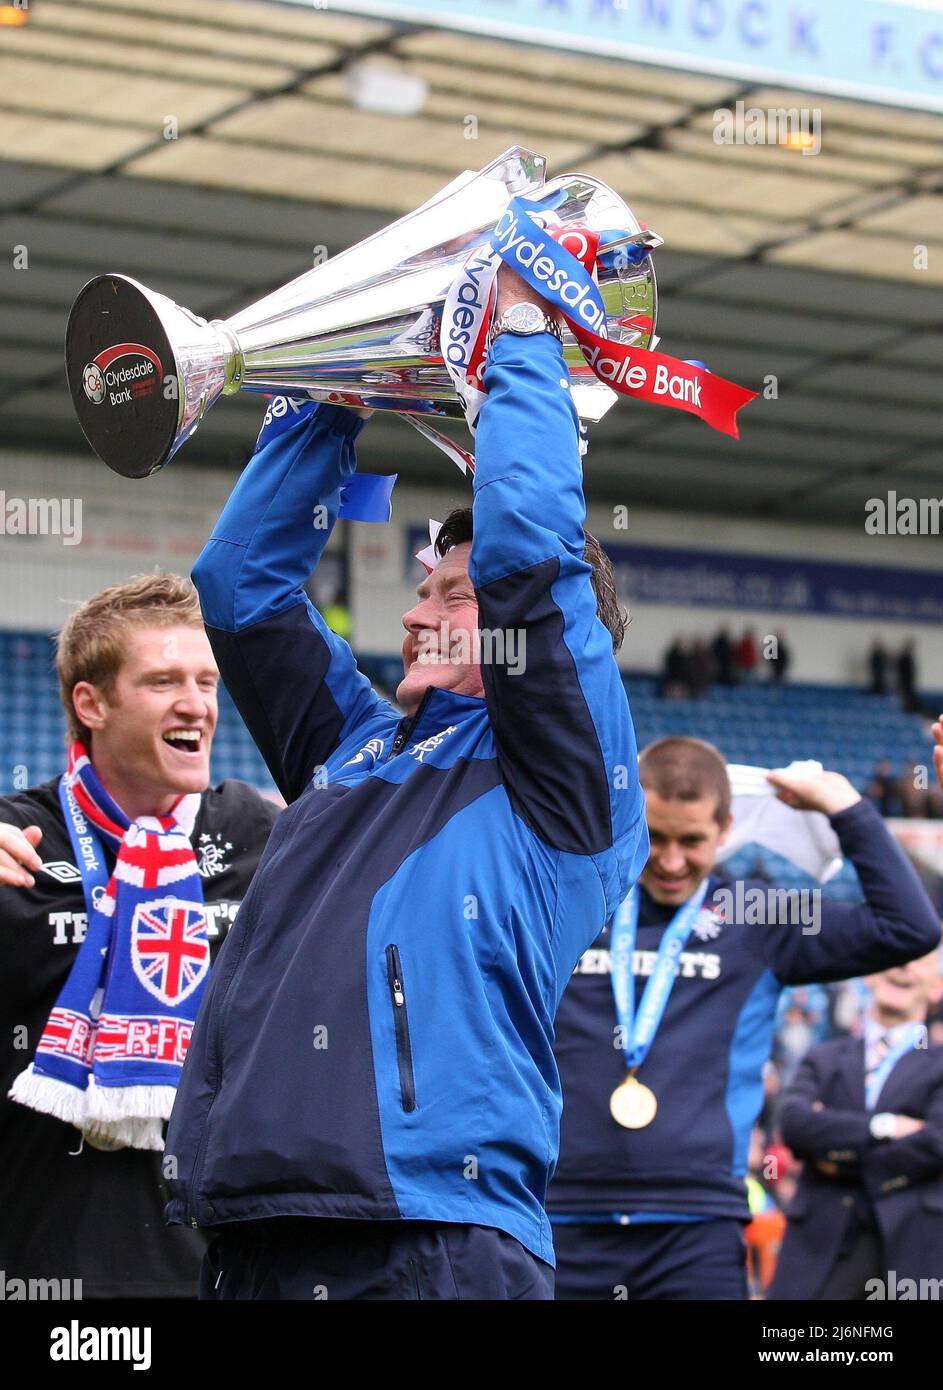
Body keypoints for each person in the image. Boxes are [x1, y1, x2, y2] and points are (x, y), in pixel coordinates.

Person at [163, 264, 649, 1301]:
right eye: (423, 589)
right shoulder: (356, 748)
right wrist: (338, 386)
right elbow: (240, 587)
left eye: (451, 598)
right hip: (254, 1223)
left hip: (433, 1232)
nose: (416, 615)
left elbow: (528, 560)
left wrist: (522, 339)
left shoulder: (559, 778)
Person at [547, 734, 941, 1300]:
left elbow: (910, 928)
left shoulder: (754, 916)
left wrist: (846, 809)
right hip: (560, 1216)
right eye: (655, 838)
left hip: (697, 1230)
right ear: (629, 819)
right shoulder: (571, 902)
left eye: (692, 840)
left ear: (726, 830)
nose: (672, 860)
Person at [0, 574, 279, 1298]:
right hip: (44, 1258)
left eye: (206, 681)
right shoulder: (19, 838)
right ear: (91, 704)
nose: (197, 705)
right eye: (162, 682)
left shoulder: (261, 836)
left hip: (220, 1267)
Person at [769, 950, 943, 1300]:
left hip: (913, 1254)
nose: (905, 965)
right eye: (898, 955)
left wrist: (837, 1158)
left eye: (920, 959)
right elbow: (796, 1125)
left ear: (937, 987)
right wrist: (885, 1127)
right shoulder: (822, 1057)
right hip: (817, 1247)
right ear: (868, 975)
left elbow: (937, 1142)